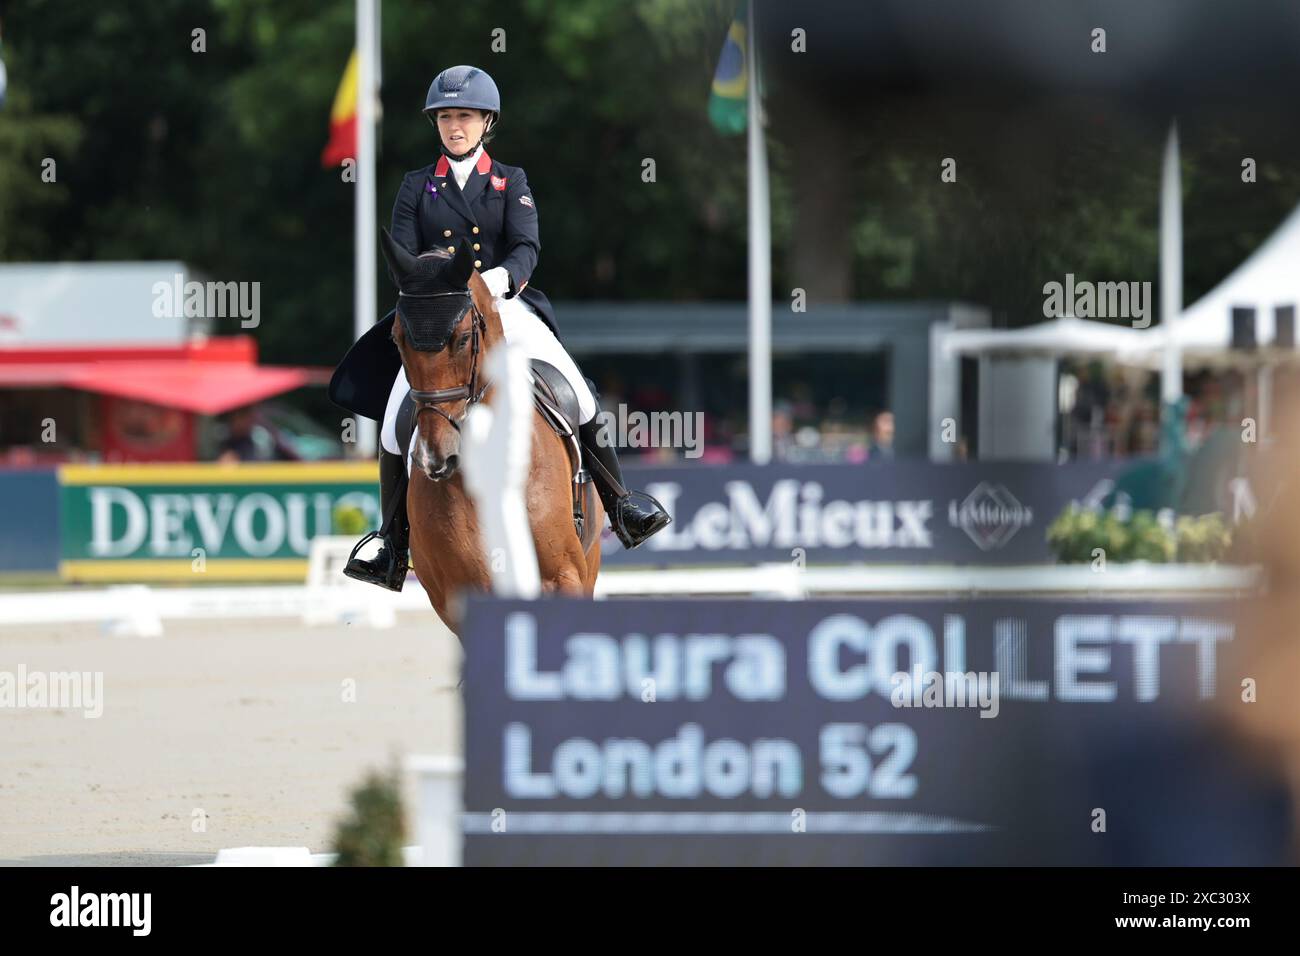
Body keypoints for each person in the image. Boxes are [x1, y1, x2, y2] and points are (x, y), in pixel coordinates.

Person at [338, 65, 670, 590]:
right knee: (393, 423)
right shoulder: (416, 187)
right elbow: (401, 252)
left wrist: (496, 279)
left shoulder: (508, 181)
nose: (454, 126)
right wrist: (435, 282)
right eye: (446, 117)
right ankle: (391, 543)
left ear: (485, 121)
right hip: (436, 312)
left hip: (503, 304)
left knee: (578, 394)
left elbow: (526, 246)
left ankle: (621, 502)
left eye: (464, 116)